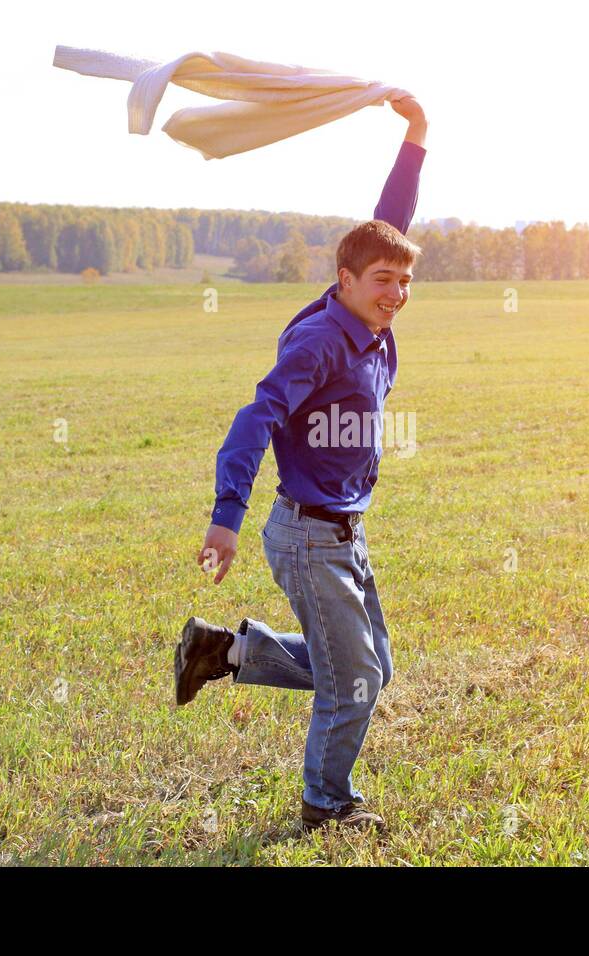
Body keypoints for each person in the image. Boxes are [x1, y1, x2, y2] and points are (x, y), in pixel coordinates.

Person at [174, 95, 427, 833]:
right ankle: (327, 803)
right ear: (345, 279)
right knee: (353, 681)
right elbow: (255, 418)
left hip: (342, 529)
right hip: (310, 535)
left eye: (404, 281)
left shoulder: (368, 318)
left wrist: (416, 137)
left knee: (365, 669)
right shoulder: (320, 342)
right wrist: (225, 520)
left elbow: (389, 227)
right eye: (383, 279)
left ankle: (225, 651)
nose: (397, 293)